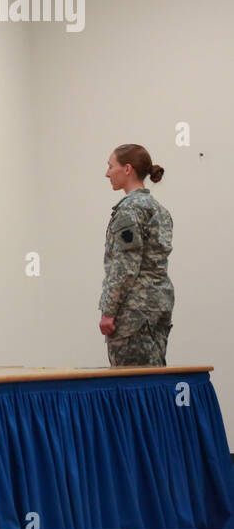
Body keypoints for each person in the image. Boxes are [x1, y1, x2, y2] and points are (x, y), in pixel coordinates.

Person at [99, 145, 174, 366]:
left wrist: (109, 312)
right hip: (159, 306)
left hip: (134, 313)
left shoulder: (129, 210)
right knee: (153, 385)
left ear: (127, 169)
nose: (107, 173)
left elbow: (125, 266)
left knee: (132, 386)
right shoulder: (159, 210)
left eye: (111, 166)